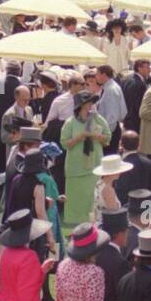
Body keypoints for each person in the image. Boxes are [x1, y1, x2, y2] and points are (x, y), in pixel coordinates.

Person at [60, 92, 110, 234]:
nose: (90, 105)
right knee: (76, 201)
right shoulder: (70, 122)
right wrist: (80, 137)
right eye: (87, 103)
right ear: (80, 105)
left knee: (92, 200)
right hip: (76, 167)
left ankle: (92, 229)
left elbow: (107, 138)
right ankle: (75, 231)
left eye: (91, 103)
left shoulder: (98, 119)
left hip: (94, 165)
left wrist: (98, 137)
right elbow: (65, 144)